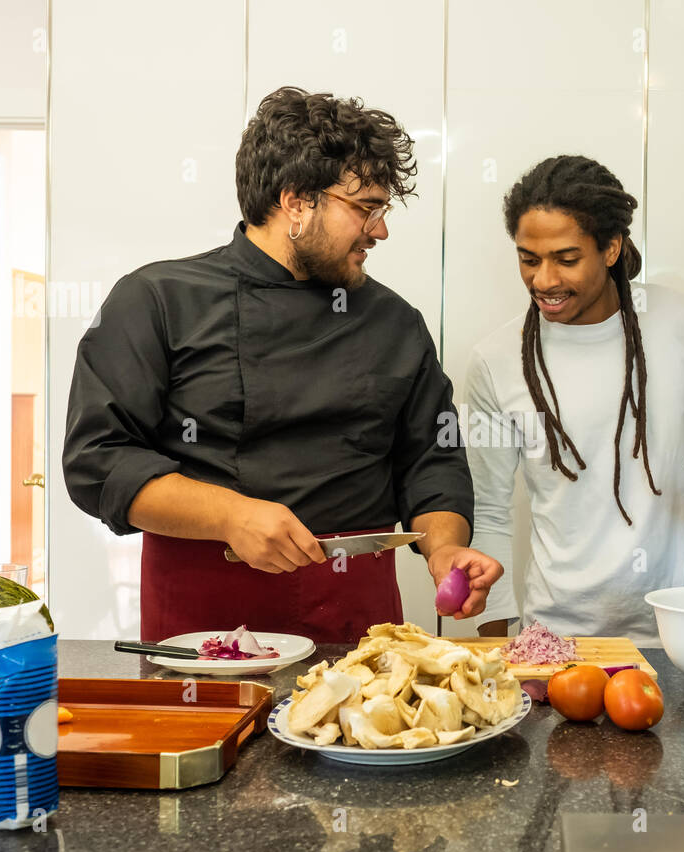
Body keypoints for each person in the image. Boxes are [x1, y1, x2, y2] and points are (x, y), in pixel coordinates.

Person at [63, 87, 502, 643]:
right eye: (365, 208)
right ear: (296, 202)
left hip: (356, 624)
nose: (381, 230)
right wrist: (230, 515)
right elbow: (97, 461)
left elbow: (431, 462)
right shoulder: (156, 300)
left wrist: (445, 548)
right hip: (204, 628)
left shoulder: (395, 323)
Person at [467, 155, 684, 644]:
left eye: (566, 259)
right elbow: (488, 510)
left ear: (611, 248)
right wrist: (498, 651)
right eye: (528, 259)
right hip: (553, 641)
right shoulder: (495, 359)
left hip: (681, 636)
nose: (544, 280)